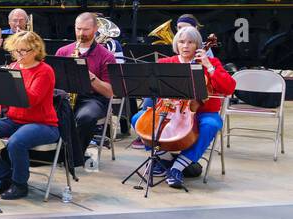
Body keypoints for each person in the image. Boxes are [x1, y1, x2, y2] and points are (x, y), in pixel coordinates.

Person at [131, 26, 235, 188]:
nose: (185, 46)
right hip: (169, 109)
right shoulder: (165, 63)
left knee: (211, 125)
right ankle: (163, 158)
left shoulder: (210, 63)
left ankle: (178, 167)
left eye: (190, 42)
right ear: (176, 44)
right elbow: (152, 88)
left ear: (198, 45)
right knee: (138, 119)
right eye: (181, 42)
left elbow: (229, 88)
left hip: (202, 111)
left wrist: (210, 67)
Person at [0, 30, 58, 200]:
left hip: (43, 124)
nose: (19, 54)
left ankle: (19, 184)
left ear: (36, 50)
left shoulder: (45, 71)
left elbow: (31, 100)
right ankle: (3, 176)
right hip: (14, 120)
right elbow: (1, 102)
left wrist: (13, 81)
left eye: (24, 51)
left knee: (16, 142)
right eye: (16, 50)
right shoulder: (14, 67)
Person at [55, 12, 116, 160]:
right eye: (78, 29)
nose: (81, 33)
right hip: (65, 96)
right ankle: (51, 153)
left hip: (93, 99)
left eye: (86, 29)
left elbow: (110, 92)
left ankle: (74, 156)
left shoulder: (107, 56)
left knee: (86, 117)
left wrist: (91, 78)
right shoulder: (63, 51)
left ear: (96, 29)